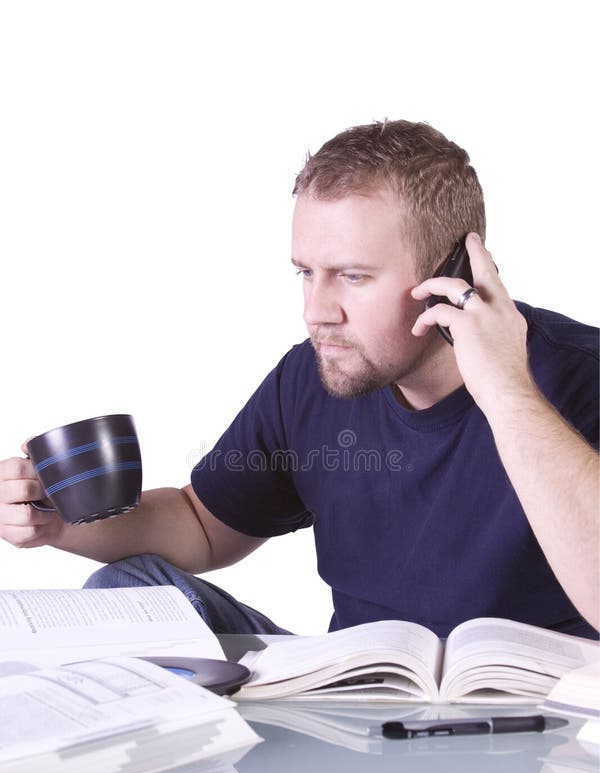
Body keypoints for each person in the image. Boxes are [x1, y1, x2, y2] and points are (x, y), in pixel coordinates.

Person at [1, 120, 598, 638]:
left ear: (454, 270)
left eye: (353, 276)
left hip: (534, 721)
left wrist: (507, 391)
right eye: (306, 273)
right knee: (125, 587)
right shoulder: (314, 376)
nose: (317, 310)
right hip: (358, 697)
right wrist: (56, 522)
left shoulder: (581, 374)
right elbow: (202, 526)